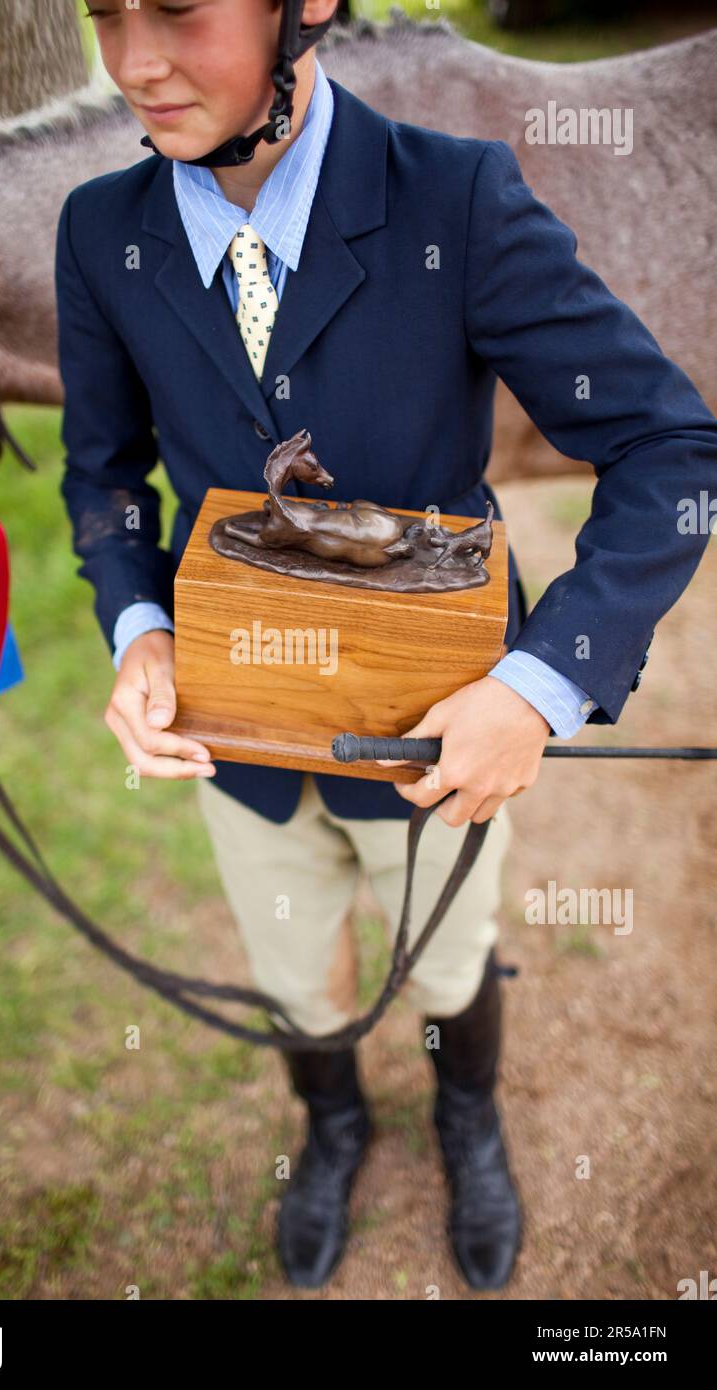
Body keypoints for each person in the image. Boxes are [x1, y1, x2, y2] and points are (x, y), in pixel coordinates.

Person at [56, 0, 717, 1291]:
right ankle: (332, 1122)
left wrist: (536, 688)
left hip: (434, 723)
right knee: (293, 961)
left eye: (179, 9)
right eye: (102, 13)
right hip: (233, 727)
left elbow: (670, 445)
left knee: (449, 956)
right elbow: (104, 478)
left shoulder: (455, 200)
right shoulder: (101, 232)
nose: (133, 63)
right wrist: (137, 627)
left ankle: (465, 1114)